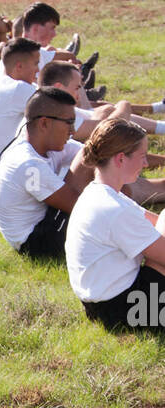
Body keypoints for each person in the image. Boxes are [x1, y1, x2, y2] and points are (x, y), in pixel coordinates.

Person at [65, 118, 165, 335]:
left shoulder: (100, 192)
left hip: (103, 305)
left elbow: (156, 222)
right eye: (142, 157)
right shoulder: (113, 209)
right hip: (124, 311)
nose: (146, 164)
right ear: (121, 159)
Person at [0, 86, 91, 258]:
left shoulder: (39, 143)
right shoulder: (28, 165)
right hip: (37, 244)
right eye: (69, 122)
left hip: (42, 230)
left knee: (96, 160)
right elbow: (79, 206)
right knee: (90, 162)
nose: (73, 131)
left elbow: (97, 152)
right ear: (44, 123)